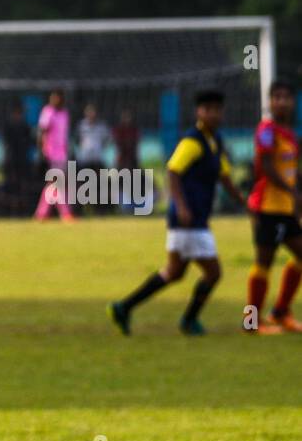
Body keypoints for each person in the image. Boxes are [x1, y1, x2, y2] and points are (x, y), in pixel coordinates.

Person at [110, 91, 245, 336]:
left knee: (173, 272)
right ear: (199, 112)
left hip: (193, 219)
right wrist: (181, 206)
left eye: (217, 109)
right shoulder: (192, 141)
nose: (213, 113)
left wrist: (242, 199)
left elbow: (224, 176)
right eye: (208, 109)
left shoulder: (215, 142)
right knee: (213, 273)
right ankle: (188, 320)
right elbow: (173, 171)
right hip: (189, 220)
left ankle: (124, 307)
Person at [245, 81, 302, 333]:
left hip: (286, 210)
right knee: (263, 264)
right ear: (269, 101)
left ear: (293, 101)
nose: (281, 101)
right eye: (276, 97)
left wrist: (296, 195)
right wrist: (292, 191)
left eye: (286, 97)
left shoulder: (290, 132)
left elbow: (292, 171)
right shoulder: (266, 130)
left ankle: (280, 312)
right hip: (267, 208)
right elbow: (266, 166)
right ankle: (250, 322)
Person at [34, 89, 74, 222]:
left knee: (53, 184)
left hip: (62, 154)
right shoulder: (48, 112)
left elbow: (64, 136)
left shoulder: (65, 114)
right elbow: (42, 131)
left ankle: (41, 214)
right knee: (58, 183)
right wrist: (41, 151)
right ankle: (65, 213)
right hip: (51, 153)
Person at [75, 103, 111, 215]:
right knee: (83, 187)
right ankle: (81, 210)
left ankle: (100, 209)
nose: (91, 114)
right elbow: (77, 140)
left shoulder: (101, 127)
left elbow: (106, 140)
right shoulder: (81, 126)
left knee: (99, 186)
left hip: (97, 161)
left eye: (93, 112)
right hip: (84, 161)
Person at [1, 102, 33, 213]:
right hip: (11, 161)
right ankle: (11, 211)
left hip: (22, 161)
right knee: (11, 187)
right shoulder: (8, 126)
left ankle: (22, 210)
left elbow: (29, 142)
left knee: (22, 187)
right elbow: (6, 144)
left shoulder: (25, 126)